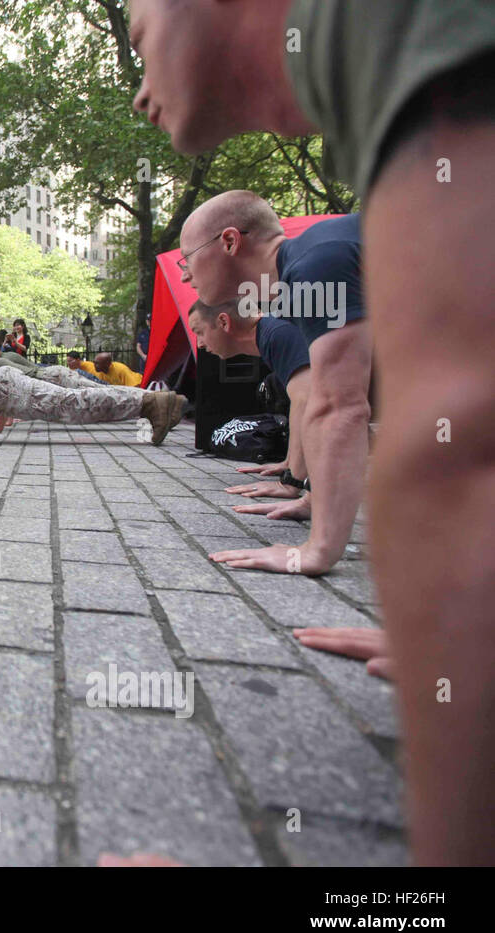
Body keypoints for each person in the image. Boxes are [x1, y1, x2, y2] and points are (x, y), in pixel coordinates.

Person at [129, 0, 495, 865]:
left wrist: (318, 553)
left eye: (137, 36)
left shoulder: (372, 31)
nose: (141, 91)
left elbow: (369, 416)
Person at [172, 192, 367, 578]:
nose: (184, 274)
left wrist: (317, 550)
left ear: (229, 241)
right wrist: (308, 494)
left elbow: (339, 407)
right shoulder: (303, 276)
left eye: (187, 257)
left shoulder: (315, 265)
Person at [0, 324, 183, 447]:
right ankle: (153, 401)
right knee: (74, 399)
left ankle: (150, 403)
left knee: (73, 404)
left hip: (0, 389)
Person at [187, 298, 312, 521]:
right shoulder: (272, 333)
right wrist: (289, 464)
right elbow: (298, 405)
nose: (200, 344)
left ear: (224, 322)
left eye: (200, 332)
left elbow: (308, 403)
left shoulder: (277, 334)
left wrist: (291, 482)